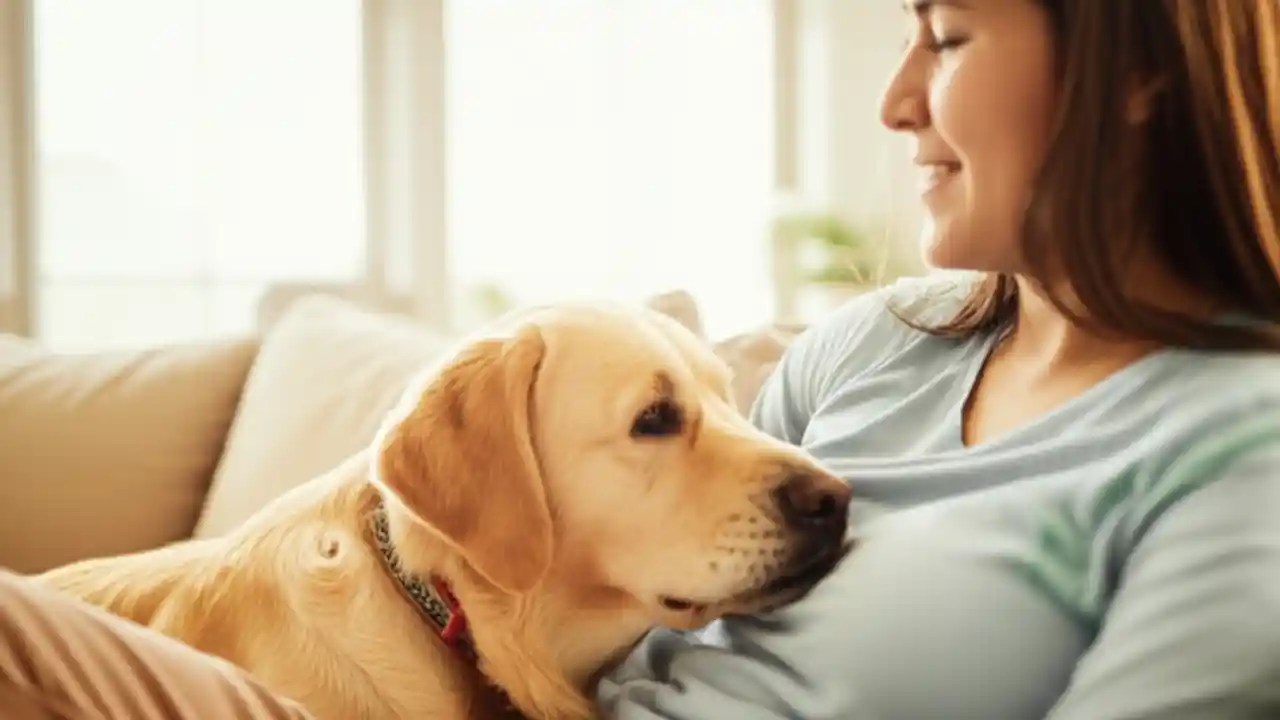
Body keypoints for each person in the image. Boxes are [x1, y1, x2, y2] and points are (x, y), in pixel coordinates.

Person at [598, 1, 1280, 718]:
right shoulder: (867, 345)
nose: (894, 103)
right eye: (904, 38)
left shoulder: (1241, 452)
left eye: (948, 39)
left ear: (1141, 69)